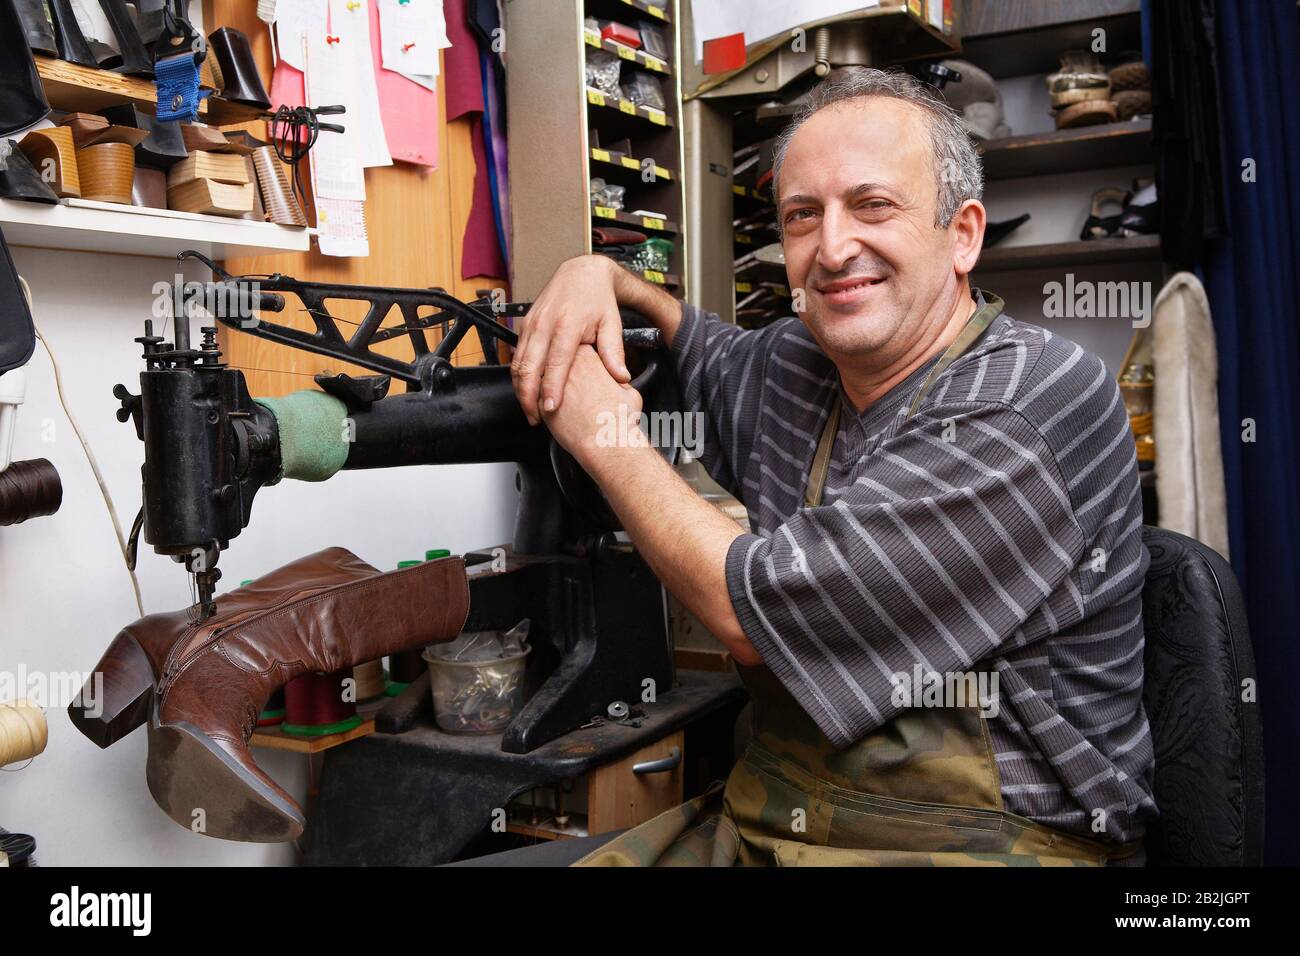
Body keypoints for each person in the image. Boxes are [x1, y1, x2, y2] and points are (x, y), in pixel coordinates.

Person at [496, 68, 1157, 866]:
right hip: (770, 824)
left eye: (873, 205)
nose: (834, 247)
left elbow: (752, 616)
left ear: (963, 235)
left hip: (987, 848)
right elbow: (699, 344)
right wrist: (597, 275)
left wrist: (604, 435)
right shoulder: (798, 366)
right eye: (803, 216)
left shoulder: (1034, 402)